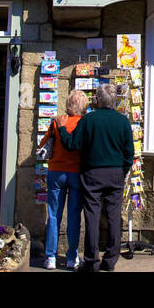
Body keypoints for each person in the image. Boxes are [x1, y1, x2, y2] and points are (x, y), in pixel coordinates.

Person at [56, 83, 135, 271]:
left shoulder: (89, 120)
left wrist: (61, 128)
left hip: (92, 173)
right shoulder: (122, 121)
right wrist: (122, 170)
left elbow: (72, 144)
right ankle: (110, 260)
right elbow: (129, 152)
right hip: (115, 172)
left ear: (97, 100)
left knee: (92, 215)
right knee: (114, 215)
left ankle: (91, 260)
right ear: (114, 101)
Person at [38, 89, 87, 269]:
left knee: (53, 214)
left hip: (56, 171)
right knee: (74, 216)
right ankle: (71, 257)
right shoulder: (84, 123)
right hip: (76, 171)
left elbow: (43, 144)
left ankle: (50, 256)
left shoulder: (57, 121)